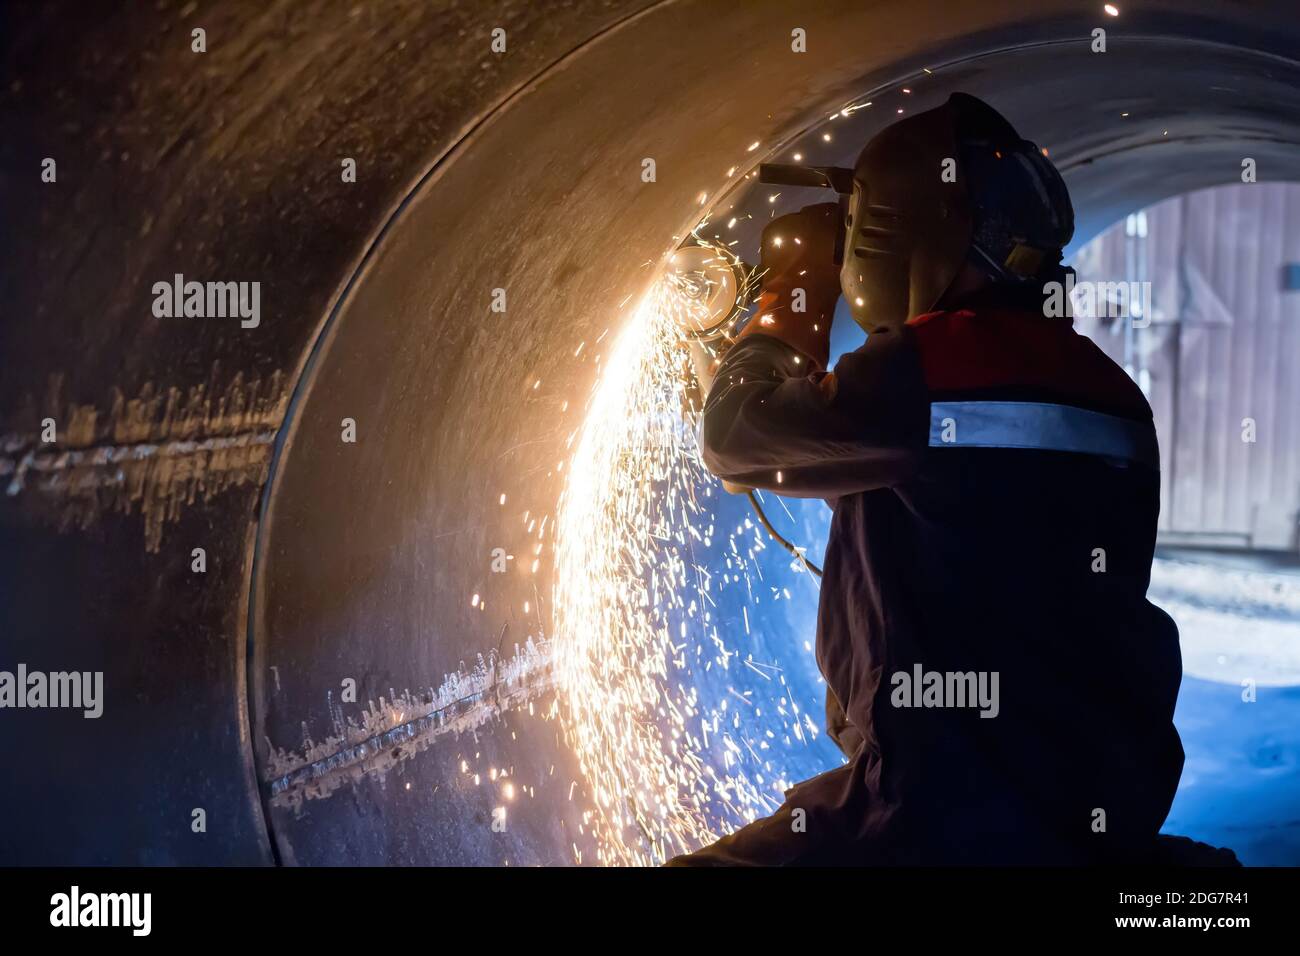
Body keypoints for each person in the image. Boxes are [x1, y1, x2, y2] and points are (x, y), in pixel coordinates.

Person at [668, 93, 1236, 866]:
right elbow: (953, 495)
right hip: (1091, 800)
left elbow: (737, 437)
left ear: (902, 237)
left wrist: (790, 292)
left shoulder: (934, 365)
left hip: (942, 805)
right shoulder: (1107, 389)